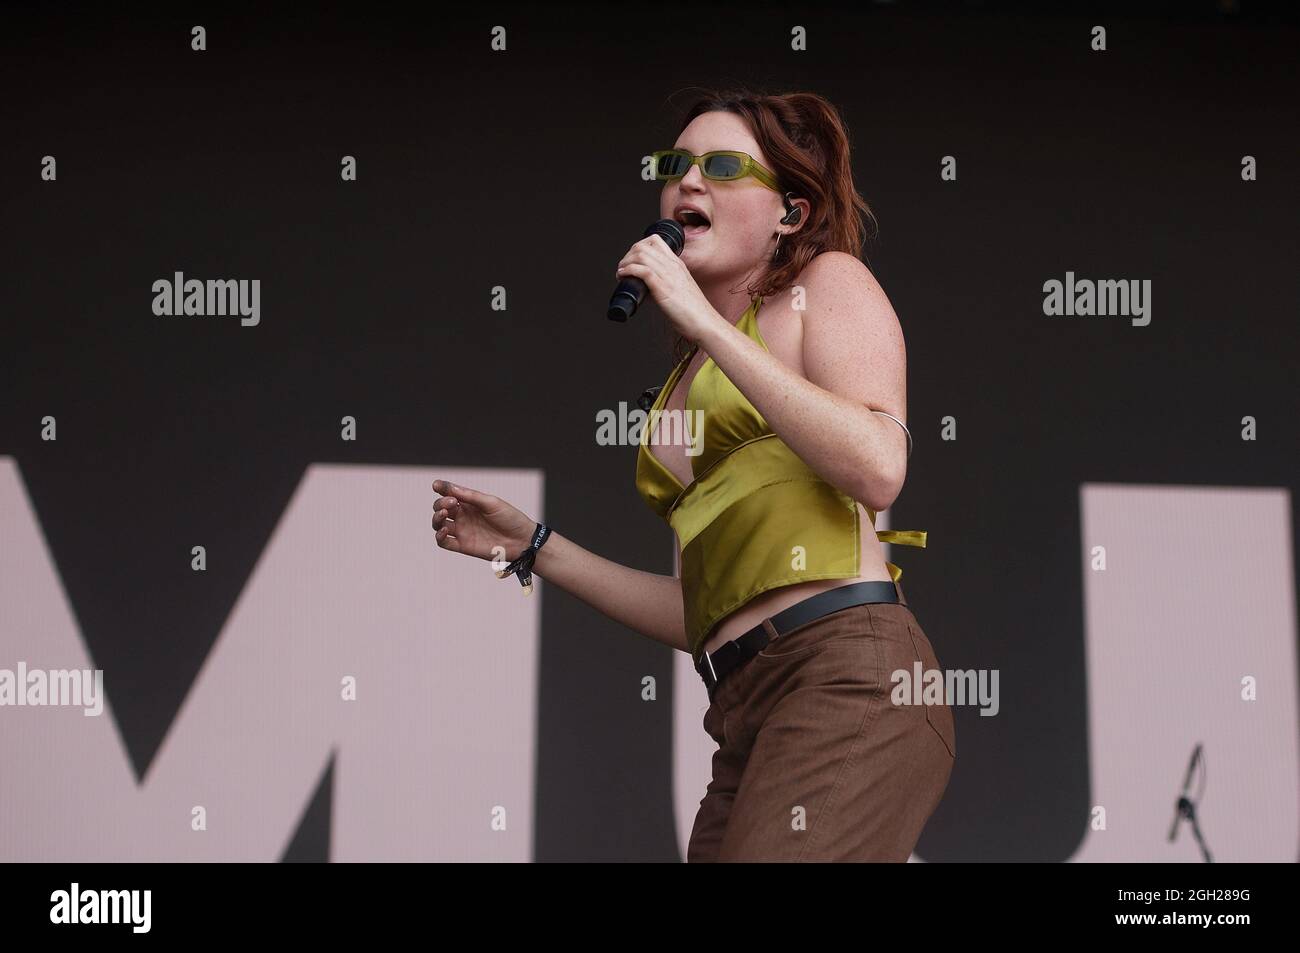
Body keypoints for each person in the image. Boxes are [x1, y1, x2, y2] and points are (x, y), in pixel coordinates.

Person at [433, 88, 954, 862]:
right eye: (675, 164)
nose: (688, 181)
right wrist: (534, 545)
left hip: (847, 672)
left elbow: (880, 466)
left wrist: (703, 320)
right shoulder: (688, 377)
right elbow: (706, 611)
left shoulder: (827, 286)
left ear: (791, 214)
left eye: (722, 165)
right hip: (742, 704)